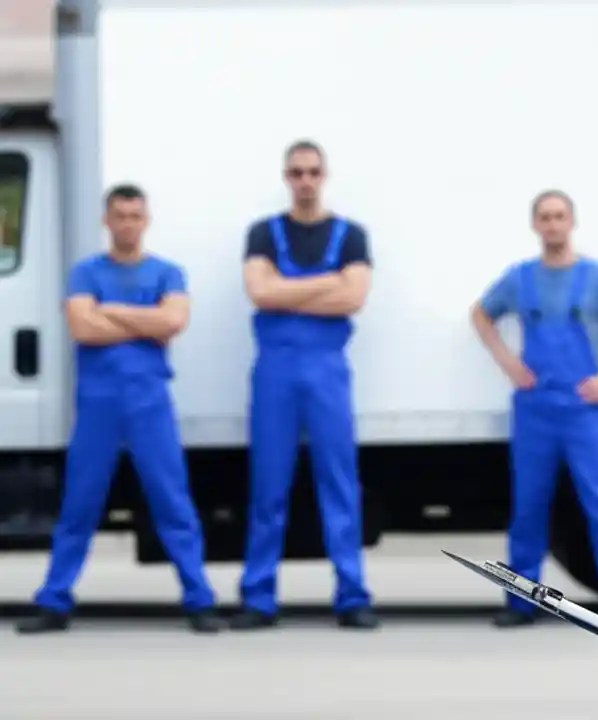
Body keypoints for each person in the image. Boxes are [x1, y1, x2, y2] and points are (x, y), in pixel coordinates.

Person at [15, 184, 223, 635]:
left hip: (149, 401)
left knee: (173, 502)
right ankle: (55, 601)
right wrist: (144, 320)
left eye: (135, 215)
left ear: (146, 221)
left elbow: (173, 322)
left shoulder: (168, 272)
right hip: (98, 404)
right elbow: (82, 328)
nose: (127, 223)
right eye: (120, 216)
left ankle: (199, 599)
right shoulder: (85, 272)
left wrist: (112, 311)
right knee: (79, 505)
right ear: (106, 221)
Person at [471, 190, 598, 640]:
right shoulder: (520, 280)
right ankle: (519, 603)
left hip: (584, 410)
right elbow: (481, 315)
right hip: (534, 411)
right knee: (528, 507)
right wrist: (509, 364)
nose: (553, 224)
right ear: (535, 225)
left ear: (571, 222)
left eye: (559, 216)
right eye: (545, 217)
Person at [230, 140, 378, 631]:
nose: (305, 180)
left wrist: (284, 293)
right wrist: (325, 284)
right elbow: (258, 292)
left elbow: (353, 298)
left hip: (327, 371)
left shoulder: (351, 235)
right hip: (275, 372)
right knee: (268, 486)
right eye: (296, 172)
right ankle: (258, 597)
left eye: (313, 171)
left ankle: (352, 595)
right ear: (286, 177)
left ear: (325, 175)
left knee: (338, 483)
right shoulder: (264, 233)